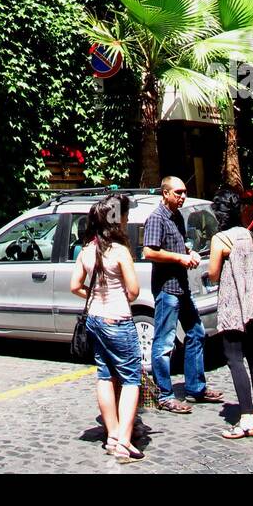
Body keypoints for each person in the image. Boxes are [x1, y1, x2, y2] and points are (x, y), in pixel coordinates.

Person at [70, 195, 144, 461]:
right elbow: (133, 291)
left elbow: (74, 285)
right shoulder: (120, 251)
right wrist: (119, 292)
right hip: (118, 319)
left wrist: (94, 292)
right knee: (131, 379)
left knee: (104, 374)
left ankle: (112, 435)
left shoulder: (87, 250)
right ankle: (124, 440)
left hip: (95, 319)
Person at [142, 175, 223, 413]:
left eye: (184, 192)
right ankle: (164, 394)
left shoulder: (176, 216)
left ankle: (196, 387)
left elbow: (178, 243)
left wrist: (190, 251)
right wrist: (180, 258)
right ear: (165, 193)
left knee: (196, 333)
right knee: (164, 343)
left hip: (182, 287)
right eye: (178, 192)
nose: (183, 196)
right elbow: (149, 251)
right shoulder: (156, 218)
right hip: (167, 289)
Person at [207, 187, 253, 439]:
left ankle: (244, 419)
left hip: (232, 305)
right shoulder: (247, 234)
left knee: (234, 359)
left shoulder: (220, 240)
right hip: (252, 304)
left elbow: (212, 273)